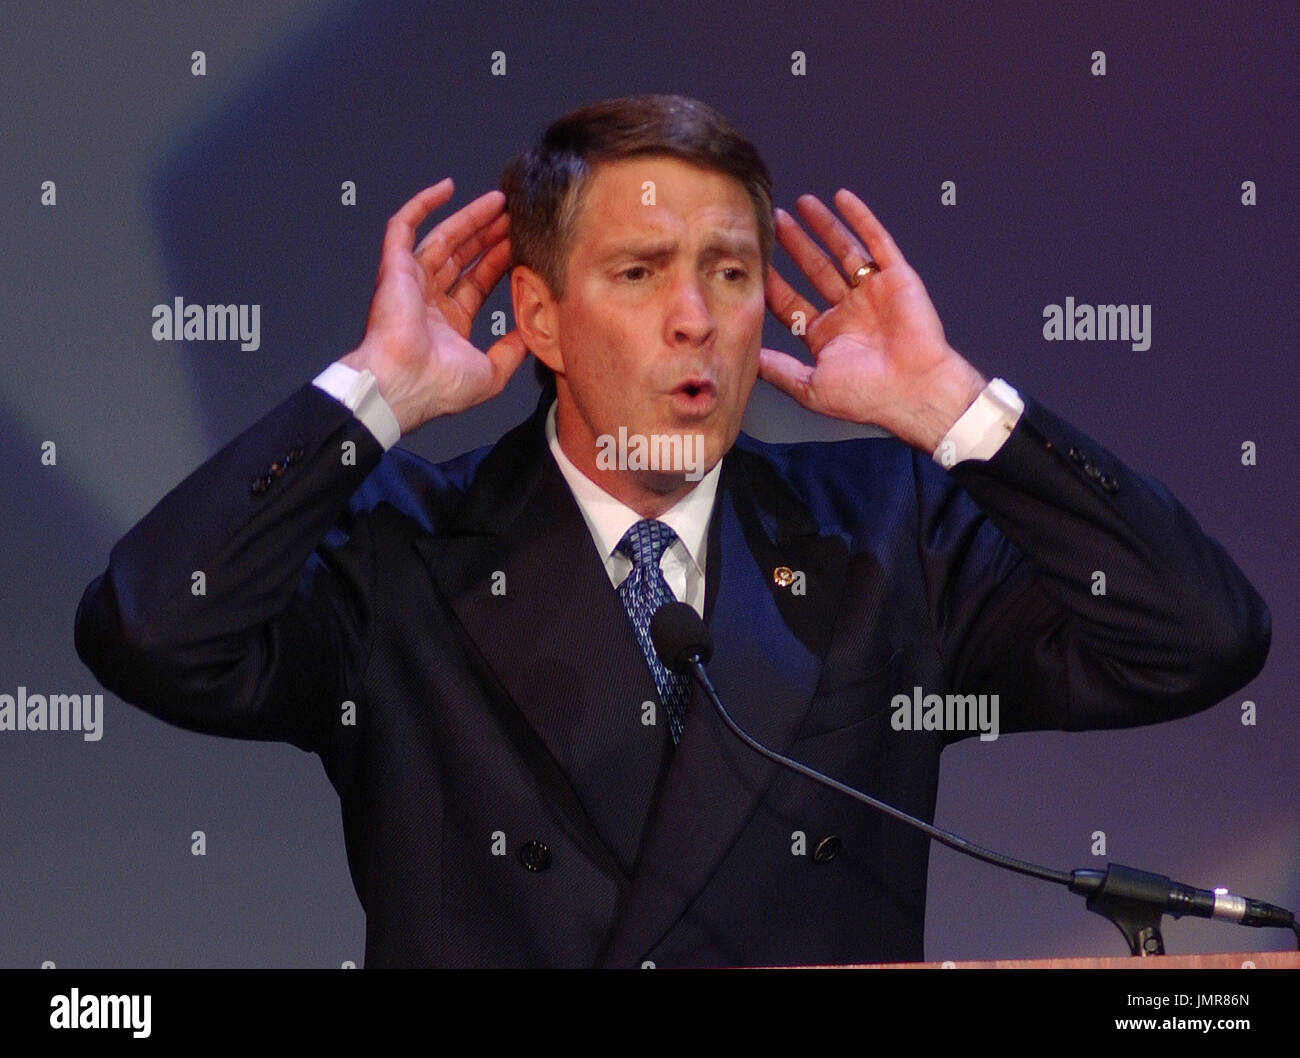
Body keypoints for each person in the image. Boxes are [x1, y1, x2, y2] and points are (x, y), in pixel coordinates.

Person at [75, 94, 1270, 967]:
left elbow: (1195, 638)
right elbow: (152, 633)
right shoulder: (399, 547)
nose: (695, 319)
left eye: (731, 274)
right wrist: (374, 391)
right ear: (537, 316)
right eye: (640, 273)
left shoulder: (886, 529)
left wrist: (959, 412)